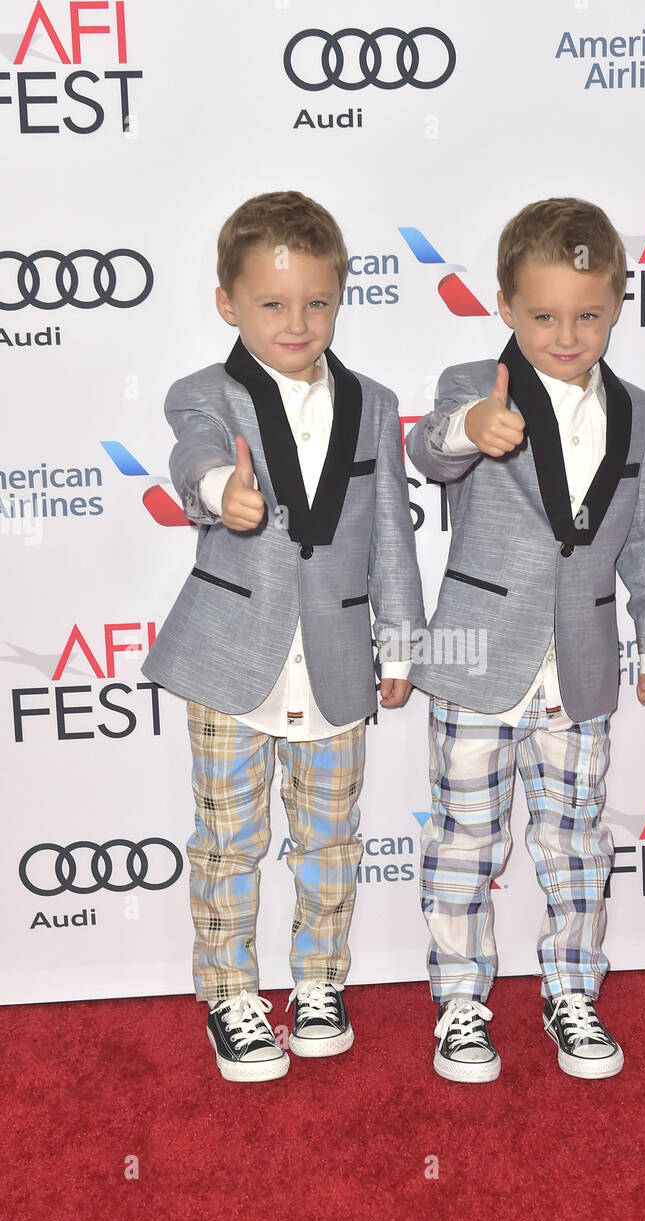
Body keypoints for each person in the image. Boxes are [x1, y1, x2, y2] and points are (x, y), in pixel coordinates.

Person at [142, 191, 424, 1082]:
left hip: (338, 661)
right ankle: (230, 993)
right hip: (232, 661)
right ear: (226, 302)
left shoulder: (374, 404)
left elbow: (390, 531)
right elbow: (192, 455)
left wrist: (402, 641)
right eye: (271, 303)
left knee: (331, 839)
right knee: (228, 839)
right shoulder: (202, 394)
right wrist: (221, 483)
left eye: (316, 302)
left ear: (340, 297)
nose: (297, 322)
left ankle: (316, 984)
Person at [406, 197, 645, 1083]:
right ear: (504, 307)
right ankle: (460, 1004)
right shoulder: (471, 383)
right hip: (476, 661)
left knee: (576, 842)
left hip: (583, 666)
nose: (566, 334)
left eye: (588, 315)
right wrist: (467, 431)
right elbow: (429, 450)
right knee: (464, 839)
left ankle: (573, 990)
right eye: (543, 316)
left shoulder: (640, 412)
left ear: (616, 306)